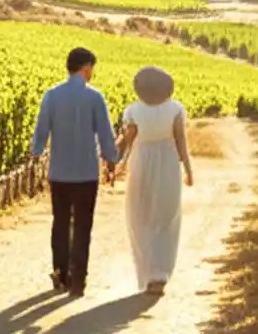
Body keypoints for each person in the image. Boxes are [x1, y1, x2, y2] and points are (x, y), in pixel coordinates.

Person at [30, 47, 119, 297]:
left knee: (60, 223)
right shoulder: (95, 98)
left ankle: (60, 273)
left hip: (59, 173)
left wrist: (36, 152)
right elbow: (105, 134)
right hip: (86, 175)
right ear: (87, 67)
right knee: (82, 227)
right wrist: (111, 160)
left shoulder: (51, 96)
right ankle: (78, 280)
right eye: (92, 68)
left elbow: (41, 130)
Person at [117, 65, 194, 296]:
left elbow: (128, 141)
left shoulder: (133, 111)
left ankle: (148, 272)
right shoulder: (175, 109)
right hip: (168, 163)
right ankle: (161, 273)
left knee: (139, 216)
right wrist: (189, 169)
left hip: (141, 162)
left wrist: (117, 163)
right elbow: (181, 141)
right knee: (167, 216)